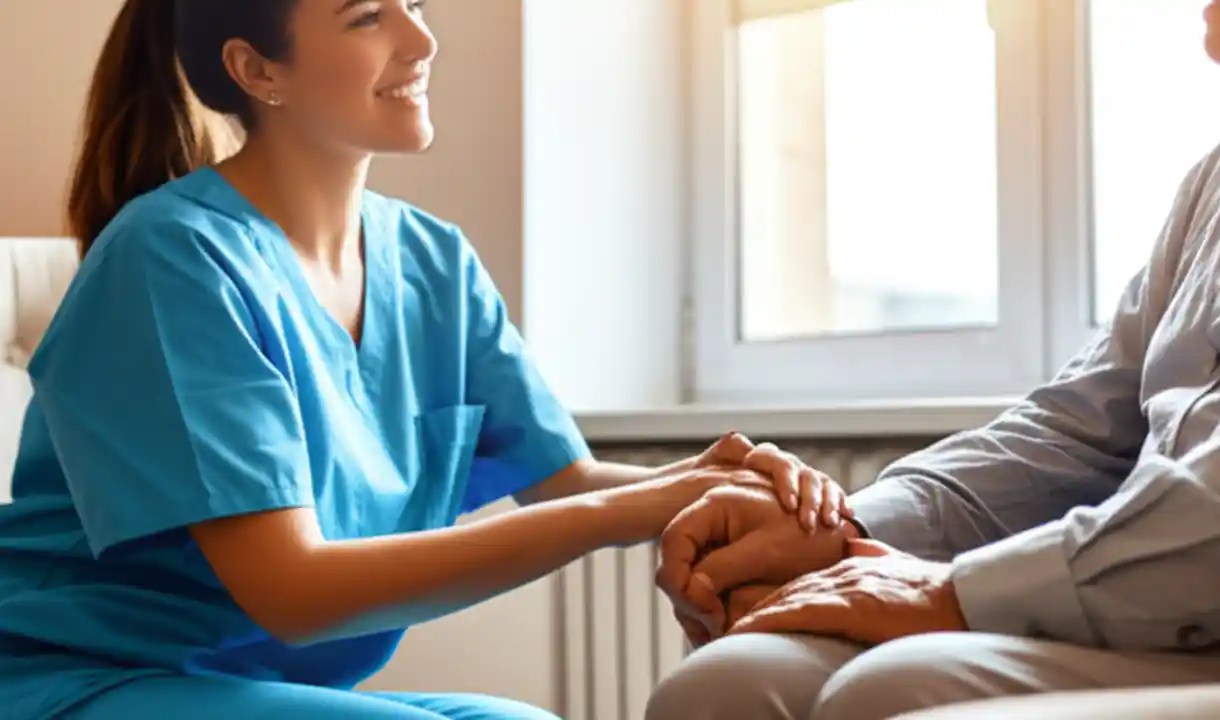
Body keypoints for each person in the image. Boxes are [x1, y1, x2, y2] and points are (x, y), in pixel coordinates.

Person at [0, 2, 857, 719]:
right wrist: (637, 511)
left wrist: (720, 481)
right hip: (83, 679)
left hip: (256, 688)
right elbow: (291, 590)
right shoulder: (172, 260)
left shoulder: (431, 262)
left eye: (414, 1)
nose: (421, 38)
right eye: (369, 16)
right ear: (260, 70)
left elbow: (565, 481)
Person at [648, 1, 1220, 719]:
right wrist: (848, 533)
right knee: (725, 685)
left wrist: (956, 593)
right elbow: (1076, 432)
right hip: (1151, 617)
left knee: (887, 698)